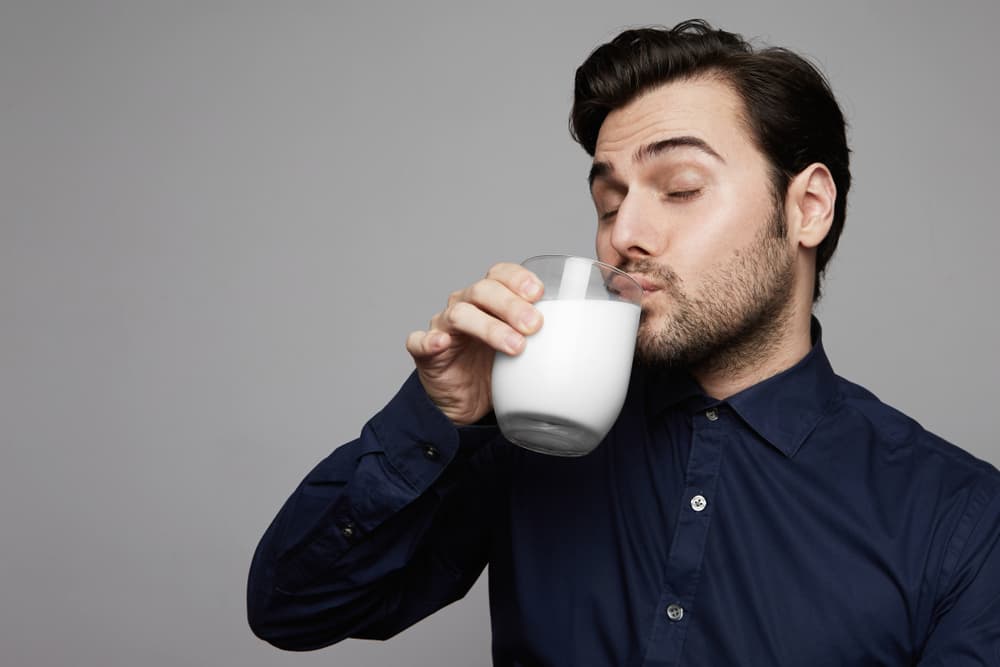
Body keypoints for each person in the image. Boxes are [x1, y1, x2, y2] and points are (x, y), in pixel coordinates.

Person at [247, 19, 1000, 665]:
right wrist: (443, 417)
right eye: (610, 201)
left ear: (806, 208)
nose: (625, 237)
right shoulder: (529, 435)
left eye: (678, 188)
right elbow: (292, 609)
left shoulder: (960, 519)